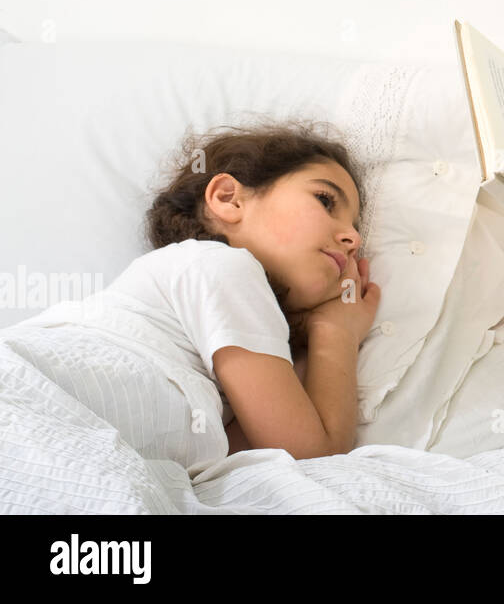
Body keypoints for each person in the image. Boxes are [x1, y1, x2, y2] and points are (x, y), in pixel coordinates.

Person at [0, 122, 380, 474]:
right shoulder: (220, 265)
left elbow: (247, 461)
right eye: (326, 201)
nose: (353, 239)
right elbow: (311, 456)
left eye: (354, 227)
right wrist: (336, 333)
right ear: (229, 198)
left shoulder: (236, 345)